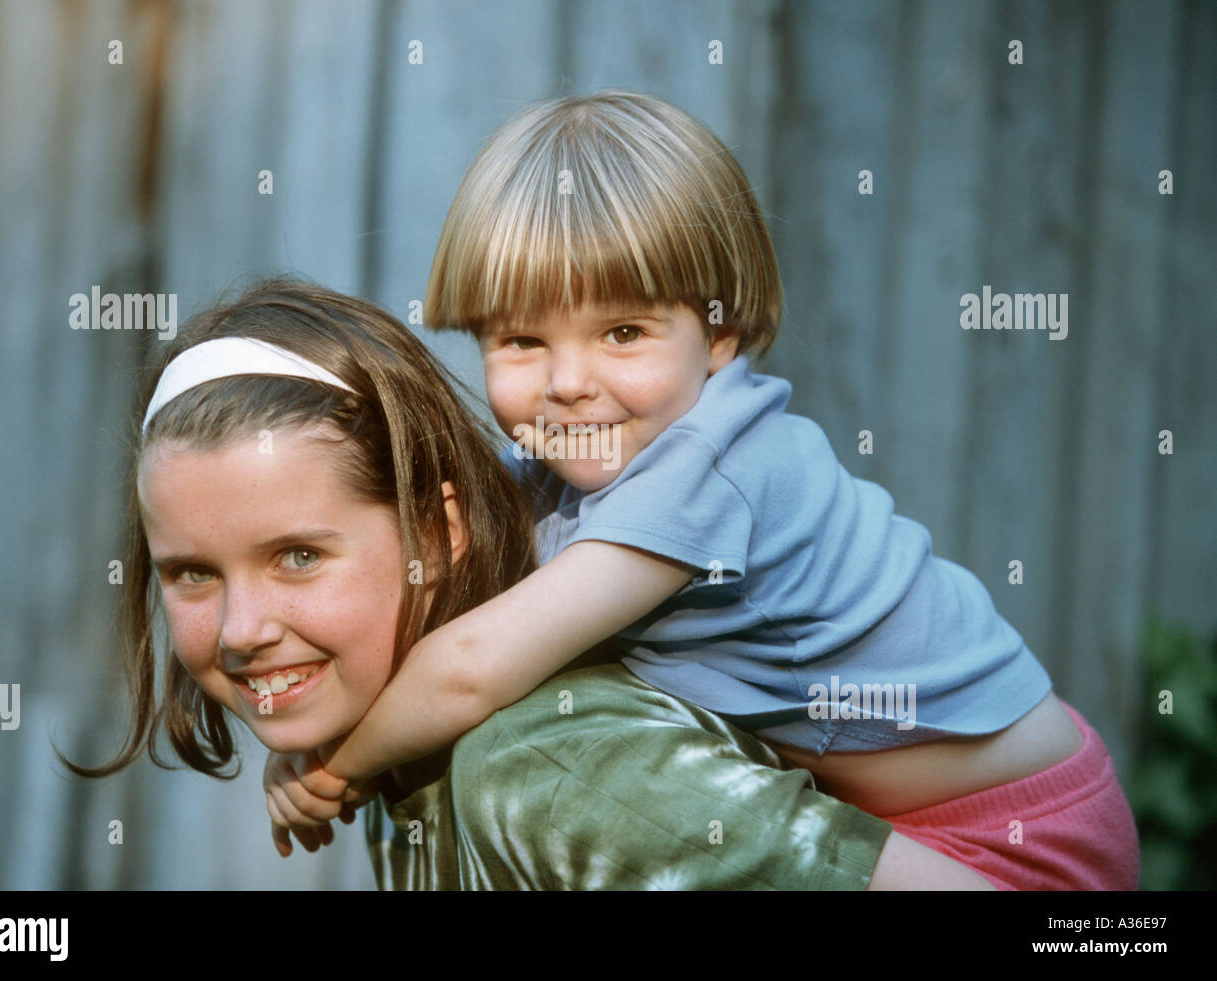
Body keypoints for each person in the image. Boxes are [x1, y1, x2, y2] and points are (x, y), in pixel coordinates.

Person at [284, 92, 1139, 890]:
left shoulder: (713, 467)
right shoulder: (563, 463)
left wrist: (336, 765)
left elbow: (469, 669)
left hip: (1016, 840)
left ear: (719, 333)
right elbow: (432, 591)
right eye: (521, 340)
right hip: (878, 823)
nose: (570, 381)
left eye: (624, 332)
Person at [60, 279, 994, 889]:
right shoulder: (402, 755)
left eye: (299, 555)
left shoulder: (547, 770)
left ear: (442, 529)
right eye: (190, 572)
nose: (240, 629)